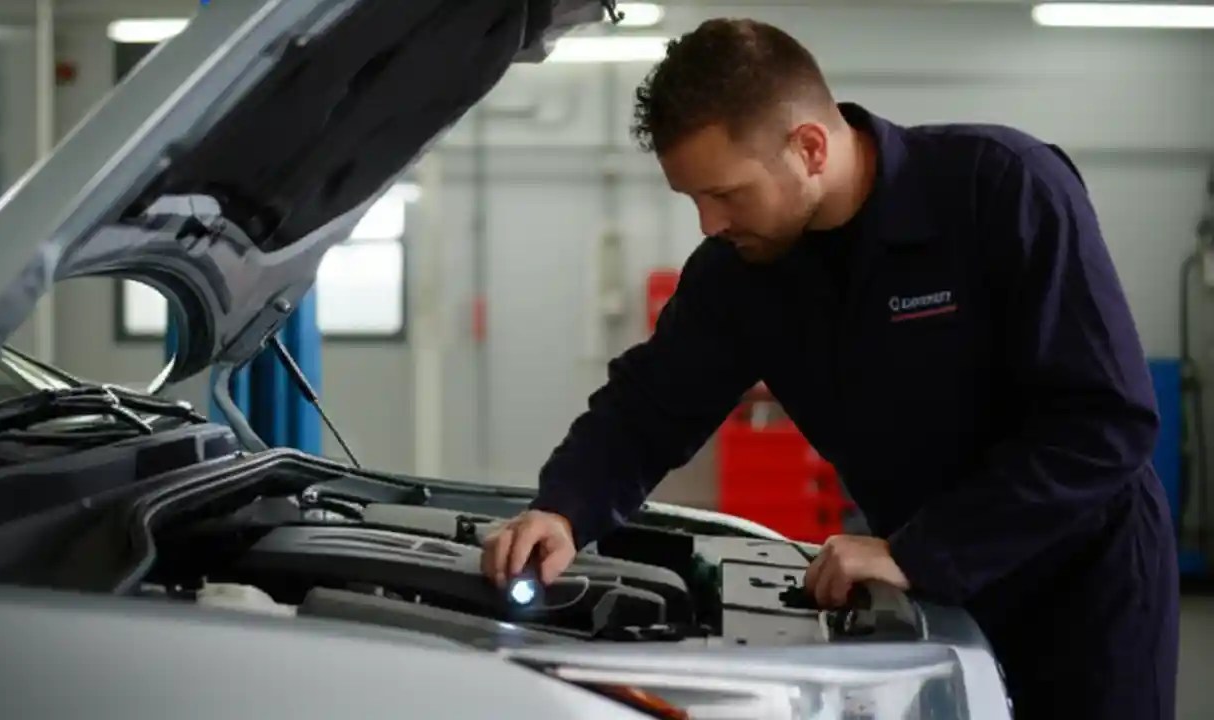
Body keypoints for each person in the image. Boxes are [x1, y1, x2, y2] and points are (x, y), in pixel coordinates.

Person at [480, 17, 1178, 719]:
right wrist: (564, 509)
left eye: (725, 194)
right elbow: (649, 408)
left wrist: (922, 553)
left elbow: (1106, 421)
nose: (708, 225)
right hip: (931, 589)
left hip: (1084, 591)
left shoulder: (1000, 189)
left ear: (809, 148)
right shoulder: (740, 273)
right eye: (693, 199)